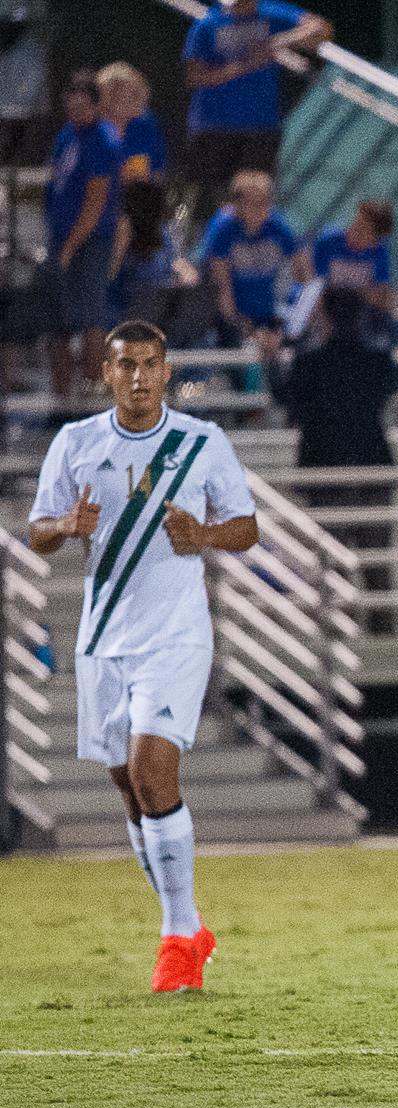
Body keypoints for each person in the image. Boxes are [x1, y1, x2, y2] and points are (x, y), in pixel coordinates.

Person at [25, 321, 259, 992]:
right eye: (126, 364)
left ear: (165, 371)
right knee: (131, 791)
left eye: (150, 364)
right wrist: (66, 526)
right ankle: (186, 924)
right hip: (104, 640)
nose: (138, 376)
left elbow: (247, 527)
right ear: (108, 372)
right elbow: (37, 530)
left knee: (152, 769)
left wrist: (206, 534)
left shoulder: (200, 443)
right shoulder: (77, 443)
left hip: (176, 635)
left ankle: (175, 943)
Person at [269, 287, 398, 631]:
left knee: (332, 557)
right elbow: (391, 387)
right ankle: (383, 628)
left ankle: (337, 632)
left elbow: (286, 401)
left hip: (325, 467)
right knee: (376, 561)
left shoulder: (310, 360)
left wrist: (269, 361)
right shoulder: (377, 358)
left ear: (324, 315)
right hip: (372, 462)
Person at [183, 0, 333, 221]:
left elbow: (321, 28)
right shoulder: (208, 23)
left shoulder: (273, 14)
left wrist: (279, 41)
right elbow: (194, 76)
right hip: (213, 128)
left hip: (261, 128)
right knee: (209, 205)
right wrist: (244, 65)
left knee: (256, 202)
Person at [42, 71, 120, 403]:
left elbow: (95, 202)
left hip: (89, 240)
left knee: (91, 316)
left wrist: (70, 247)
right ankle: (62, 398)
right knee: (56, 319)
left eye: (83, 104)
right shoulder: (66, 135)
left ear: (95, 105)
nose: (77, 110)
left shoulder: (103, 140)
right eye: (71, 104)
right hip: (60, 236)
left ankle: (90, 394)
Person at [199, 169, 300, 351]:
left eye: (265, 202)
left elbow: (303, 272)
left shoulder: (277, 227)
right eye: (253, 203)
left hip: (268, 314)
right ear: (238, 204)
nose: (261, 209)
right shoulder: (224, 230)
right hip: (233, 318)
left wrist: (281, 327)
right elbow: (222, 288)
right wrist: (245, 330)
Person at [108, 179, 198, 324]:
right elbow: (110, 276)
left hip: (162, 308)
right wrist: (121, 241)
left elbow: (174, 261)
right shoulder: (118, 235)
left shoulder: (162, 232)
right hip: (125, 312)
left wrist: (186, 273)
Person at [311, 198, 397, 316]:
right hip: (320, 307)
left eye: (362, 230)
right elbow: (311, 281)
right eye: (355, 224)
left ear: (376, 240)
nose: (353, 232)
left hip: (353, 312)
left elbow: (380, 295)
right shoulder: (329, 241)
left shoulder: (379, 253)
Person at [96, 62, 167, 183]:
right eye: (130, 94)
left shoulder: (144, 123)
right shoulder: (92, 128)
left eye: (137, 93)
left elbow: (156, 170)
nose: (138, 100)